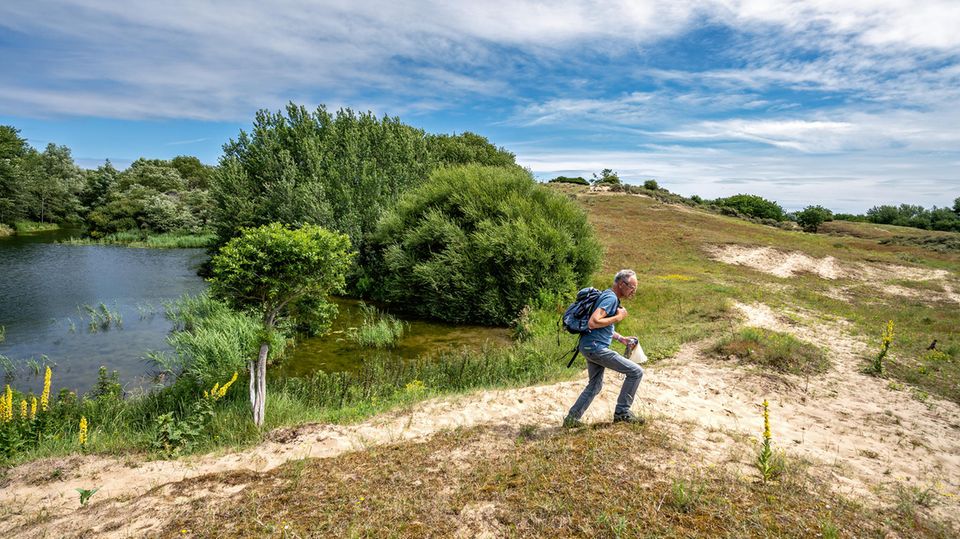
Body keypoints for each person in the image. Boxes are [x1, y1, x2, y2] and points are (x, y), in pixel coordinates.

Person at [563, 269, 644, 427]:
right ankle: (622, 412)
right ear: (621, 284)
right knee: (636, 372)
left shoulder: (609, 296)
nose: (633, 291)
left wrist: (620, 338)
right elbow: (593, 322)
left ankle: (572, 419)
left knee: (595, 385)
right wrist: (619, 317)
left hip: (589, 345)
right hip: (595, 347)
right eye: (632, 287)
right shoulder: (610, 298)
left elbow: (602, 326)